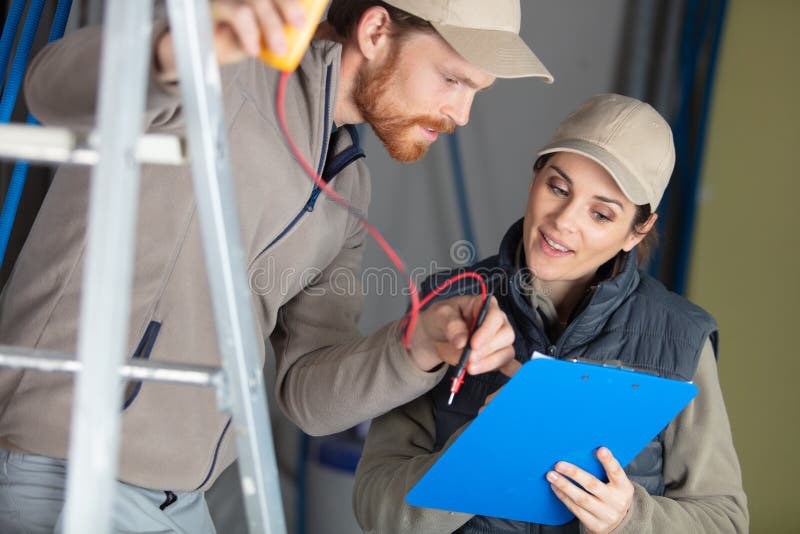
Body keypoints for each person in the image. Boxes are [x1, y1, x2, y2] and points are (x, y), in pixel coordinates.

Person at [0, 0, 553, 532]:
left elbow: (308, 394)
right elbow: (51, 87)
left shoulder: (347, 183)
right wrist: (176, 52)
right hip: (67, 467)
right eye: (452, 80)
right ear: (376, 31)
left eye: (475, 92)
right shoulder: (228, 68)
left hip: (183, 497)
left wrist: (422, 345)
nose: (460, 113)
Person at [353, 93, 749, 533]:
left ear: (637, 232)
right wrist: (475, 461)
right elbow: (375, 506)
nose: (563, 221)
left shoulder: (680, 340)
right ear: (534, 178)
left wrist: (630, 518)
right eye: (558, 188)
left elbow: (725, 521)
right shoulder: (448, 306)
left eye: (600, 213)